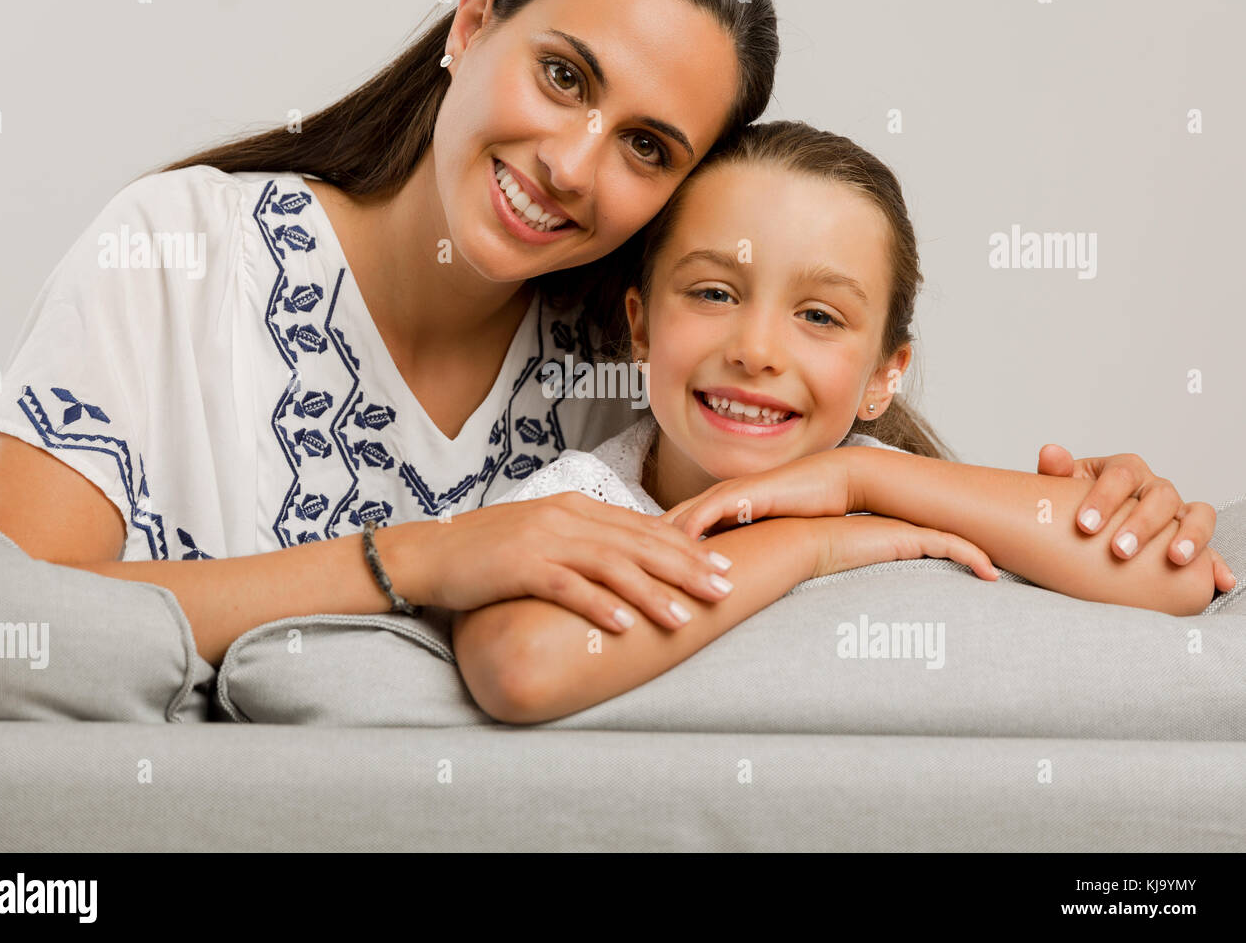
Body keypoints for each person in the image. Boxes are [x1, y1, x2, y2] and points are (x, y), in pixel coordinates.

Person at [0, 0, 1225, 673]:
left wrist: (899, 480)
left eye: (647, 147)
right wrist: (420, 560)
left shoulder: (654, 356)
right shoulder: (179, 250)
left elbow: (1003, 538)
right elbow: (5, 631)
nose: (572, 166)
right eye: (564, 76)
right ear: (473, 23)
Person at [449, 120, 1239, 724]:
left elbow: (1175, 579)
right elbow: (521, 668)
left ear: (884, 376)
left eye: (819, 315)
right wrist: (809, 543)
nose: (756, 350)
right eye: (715, 292)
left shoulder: (892, 489)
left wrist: (860, 475)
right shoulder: (581, 501)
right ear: (642, 326)